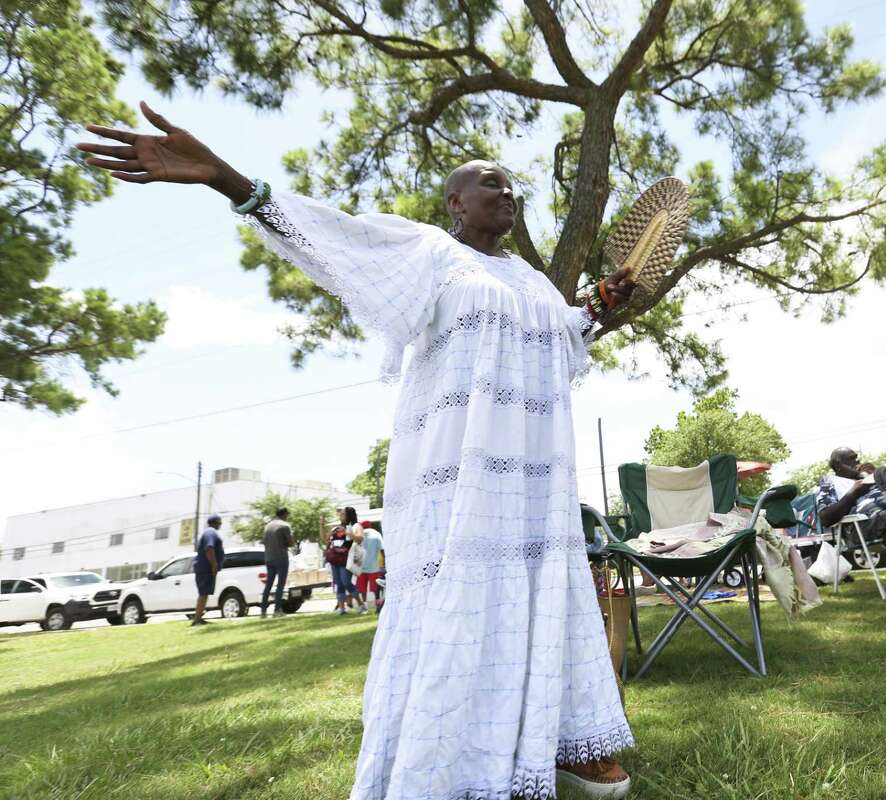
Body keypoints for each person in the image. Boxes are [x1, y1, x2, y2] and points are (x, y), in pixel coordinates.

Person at [79, 103, 637, 797]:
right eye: (492, 184)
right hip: (453, 480)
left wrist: (597, 307)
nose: (510, 193)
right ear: (456, 203)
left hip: (531, 482)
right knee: (459, 605)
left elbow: (562, 338)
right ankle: (449, 765)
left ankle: (554, 741)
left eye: (513, 187)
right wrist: (225, 178)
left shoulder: (528, 279)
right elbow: (329, 241)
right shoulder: (430, 253)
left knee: (535, 591)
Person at [816, 448, 886, 600]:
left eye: (857, 458)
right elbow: (826, 518)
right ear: (838, 465)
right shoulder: (830, 482)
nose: (858, 462)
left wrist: (879, 476)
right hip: (863, 525)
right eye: (851, 459)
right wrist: (854, 493)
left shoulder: (867, 476)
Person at [326, 508, 361, 616]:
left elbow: (359, 539)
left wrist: (350, 534)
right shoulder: (336, 528)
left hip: (346, 559)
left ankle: (360, 604)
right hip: (335, 559)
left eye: (343, 514)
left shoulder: (356, 526)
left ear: (349, 515)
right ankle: (342, 608)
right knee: (339, 584)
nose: (340, 516)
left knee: (346, 582)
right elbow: (326, 540)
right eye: (340, 514)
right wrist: (322, 525)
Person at [192, 514, 225, 627]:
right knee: (203, 593)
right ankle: (197, 620)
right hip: (205, 568)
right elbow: (209, 548)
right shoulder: (210, 532)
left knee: (204, 593)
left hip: (205, 567)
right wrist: (214, 564)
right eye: (220, 522)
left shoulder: (209, 532)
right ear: (216, 522)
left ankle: (198, 618)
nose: (220, 525)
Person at [261, 507, 294, 617]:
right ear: (284, 514)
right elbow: (291, 542)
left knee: (268, 585)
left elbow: (264, 542)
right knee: (280, 585)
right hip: (281, 558)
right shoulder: (285, 526)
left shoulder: (267, 526)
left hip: (269, 558)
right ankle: (277, 610)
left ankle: (263, 611)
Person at [357, 521, 386, 613]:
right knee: (376, 588)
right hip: (375, 566)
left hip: (361, 566)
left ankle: (365, 606)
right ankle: (377, 605)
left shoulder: (359, 535)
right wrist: (385, 562)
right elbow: (382, 549)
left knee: (362, 588)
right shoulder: (376, 534)